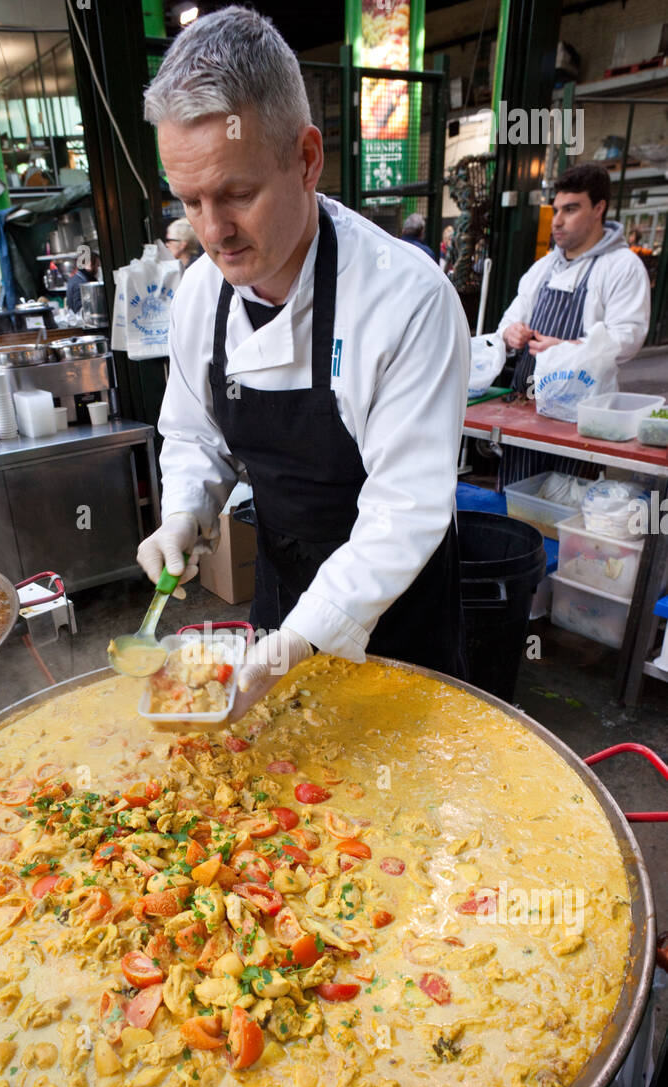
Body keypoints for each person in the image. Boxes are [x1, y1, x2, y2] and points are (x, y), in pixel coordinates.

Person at [138, 7, 470, 717]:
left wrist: (301, 641)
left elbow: (405, 511)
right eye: (190, 201)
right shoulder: (201, 294)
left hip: (395, 610)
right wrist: (183, 515)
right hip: (281, 589)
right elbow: (195, 435)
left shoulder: (405, 300)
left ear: (307, 159)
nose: (214, 231)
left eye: (236, 194)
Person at [496, 162, 650, 488]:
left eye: (571, 209)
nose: (558, 221)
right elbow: (511, 317)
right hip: (527, 410)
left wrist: (566, 350)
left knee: (570, 507)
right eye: (556, 210)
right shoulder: (543, 268)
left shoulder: (622, 267)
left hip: (583, 417)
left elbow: (629, 335)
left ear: (599, 208)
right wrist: (511, 333)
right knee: (516, 498)